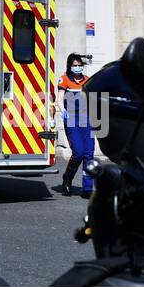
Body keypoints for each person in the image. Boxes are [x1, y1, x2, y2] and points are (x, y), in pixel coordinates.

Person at [56, 53, 94, 197]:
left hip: (86, 117)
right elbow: (59, 99)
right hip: (71, 117)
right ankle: (67, 178)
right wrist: (63, 110)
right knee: (78, 153)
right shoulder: (64, 79)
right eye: (75, 65)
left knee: (89, 154)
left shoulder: (87, 80)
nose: (77, 67)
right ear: (70, 66)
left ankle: (88, 188)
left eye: (79, 65)